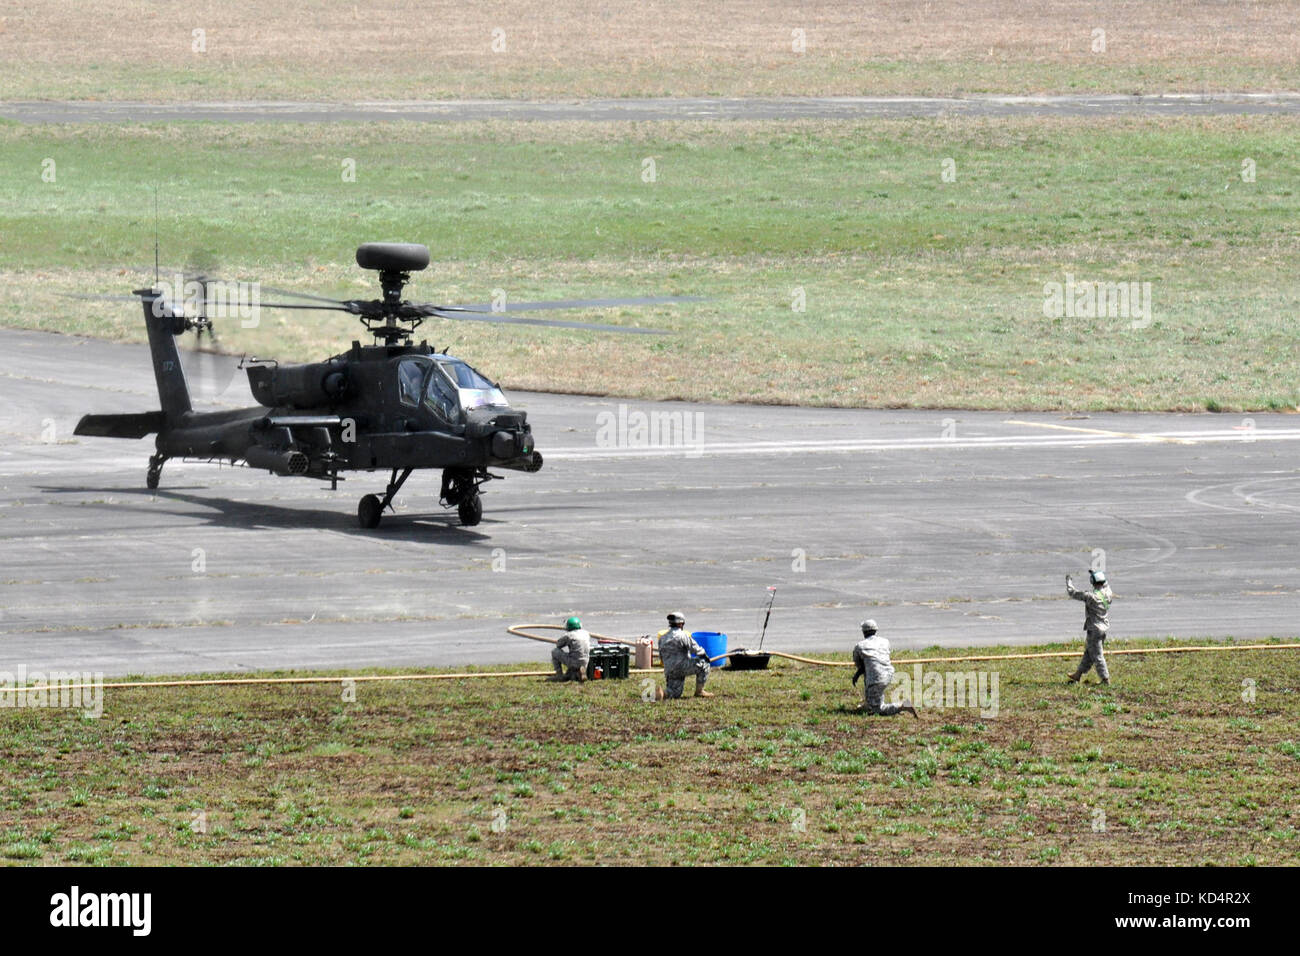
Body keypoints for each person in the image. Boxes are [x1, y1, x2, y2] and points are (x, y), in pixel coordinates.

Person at [852, 619, 917, 717]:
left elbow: (859, 665)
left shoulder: (860, 646)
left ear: (863, 632)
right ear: (876, 630)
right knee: (871, 677)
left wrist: (856, 675)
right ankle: (869, 702)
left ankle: (903, 706)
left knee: (878, 710)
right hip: (889, 674)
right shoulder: (885, 641)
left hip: (876, 678)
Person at [1066, 569, 1114, 685]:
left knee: (1097, 655)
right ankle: (1078, 674)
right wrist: (1097, 574)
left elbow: (1073, 593)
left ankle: (1105, 679)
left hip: (1094, 629)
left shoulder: (1091, 596)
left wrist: (1068, 582)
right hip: (1103, 628)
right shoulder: (1108, 593)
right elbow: (1106, 583)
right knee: (1089, 652)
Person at [656, 612, 713, 700]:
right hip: (681, 667)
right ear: (681, 624)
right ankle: (700, 691)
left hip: (669, 670)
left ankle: (662, 693)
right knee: (704, 664)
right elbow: (696, 649)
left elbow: (661, 656)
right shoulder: (682, 636)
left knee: (675, 693)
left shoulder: (662, 638)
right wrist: (705, 656)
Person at [549, 616, 591, 682]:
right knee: (575, 654)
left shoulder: (569, 635)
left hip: (574, 662)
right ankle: (577, 673)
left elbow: (558, 645)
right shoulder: (586, 633)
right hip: (585, 662)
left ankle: (559, 675)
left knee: (554, 651)